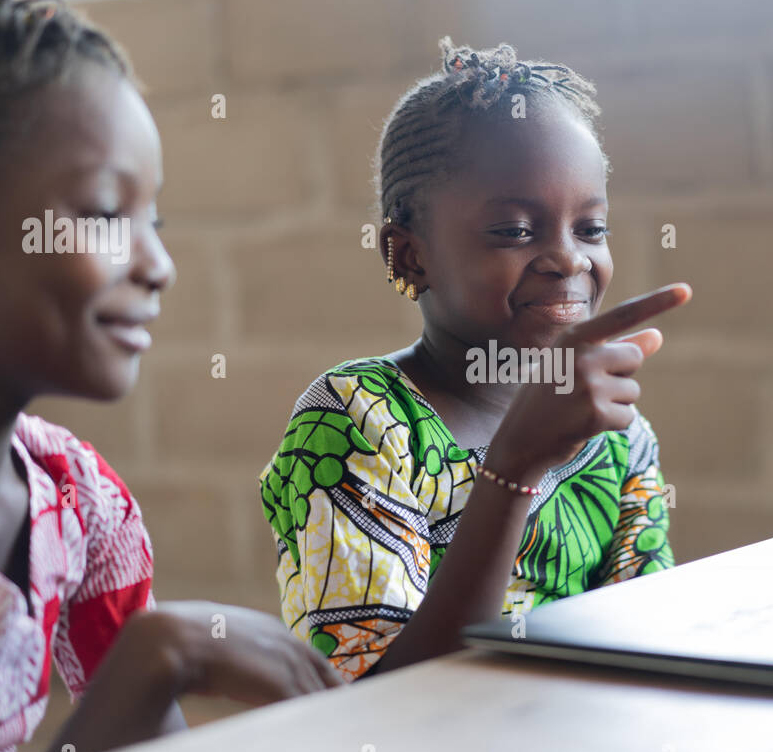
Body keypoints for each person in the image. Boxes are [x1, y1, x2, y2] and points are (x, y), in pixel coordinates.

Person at [0, 0, 340, 752]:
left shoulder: (74, 495)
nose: (158, 266)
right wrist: (158, 658)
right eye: (101, 213)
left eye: (152, 220)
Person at [260, 37, 691, 683]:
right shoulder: (359, 418)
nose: (569, 259)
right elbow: (371, 699)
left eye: (590, 228)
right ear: (409, 256)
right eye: (516, 231)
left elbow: (649, 649)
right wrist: (514, 466)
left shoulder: (618, 438)